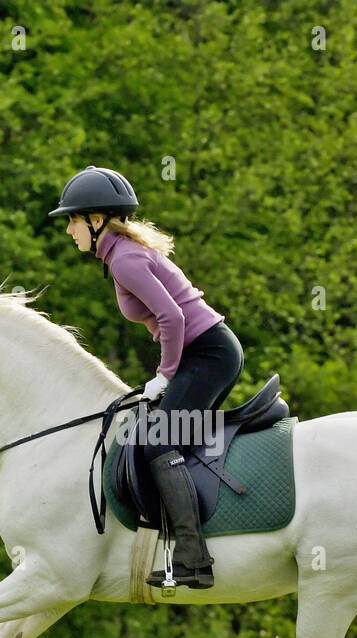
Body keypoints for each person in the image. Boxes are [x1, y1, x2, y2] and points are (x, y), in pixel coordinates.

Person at [49, 165, 244, 589]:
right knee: (164, 433)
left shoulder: (125, 260)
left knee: (158, 440)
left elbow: (172, 317)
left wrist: (165, 375)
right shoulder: (121, 254)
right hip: (205, 352)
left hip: (207, 354)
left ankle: (194, 561)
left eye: (73, 220)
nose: (69, 231)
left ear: (96, 220)